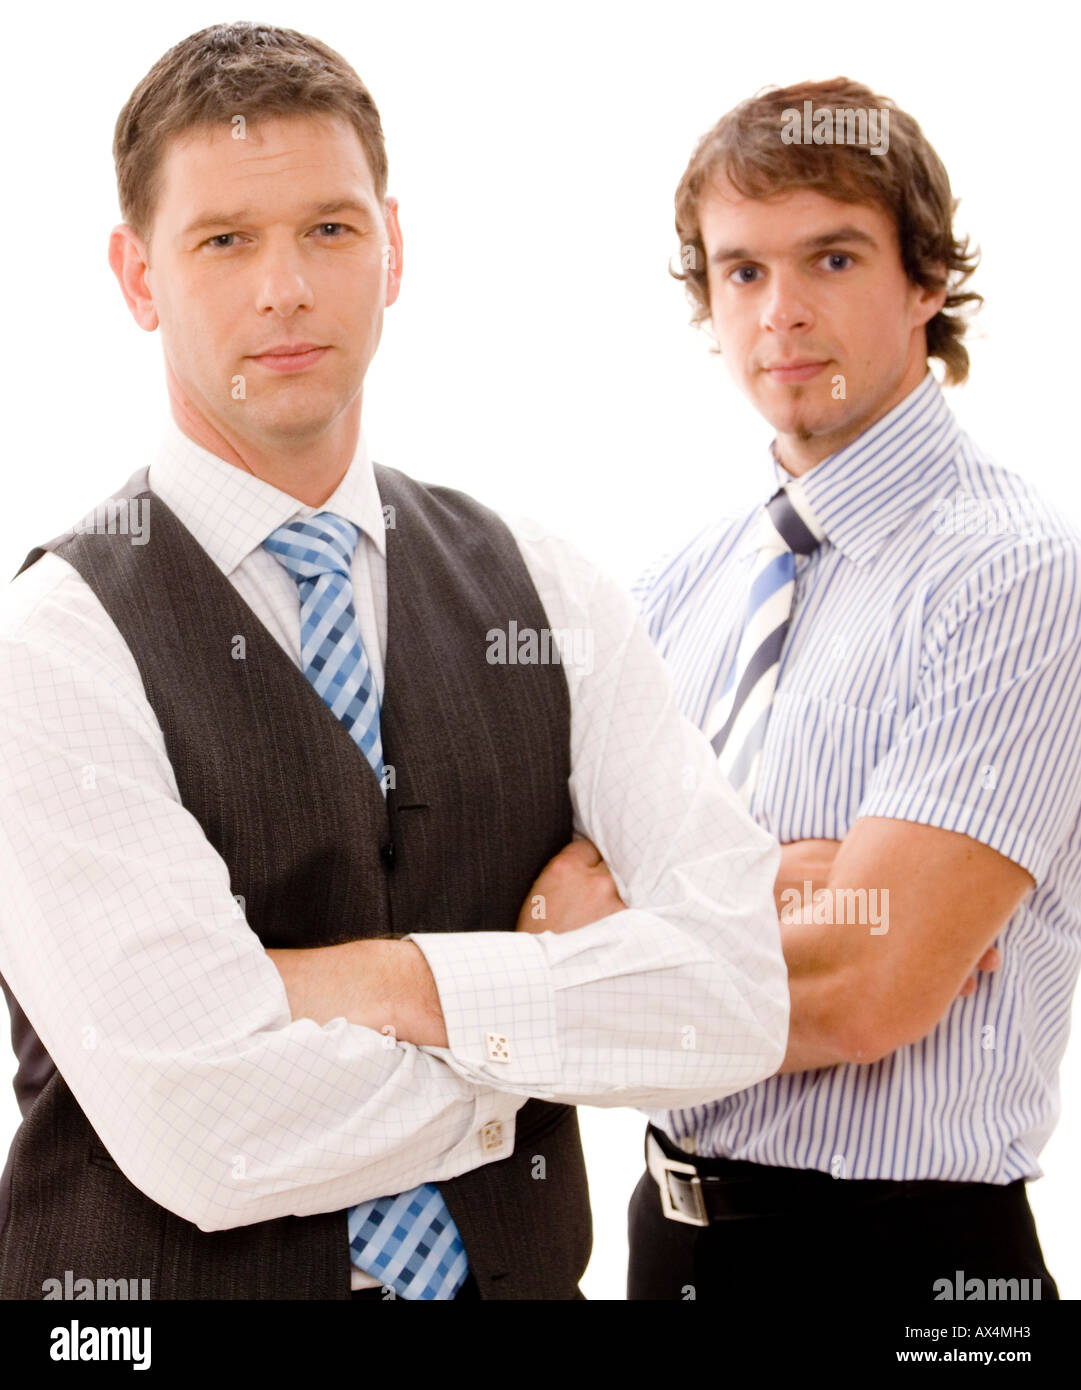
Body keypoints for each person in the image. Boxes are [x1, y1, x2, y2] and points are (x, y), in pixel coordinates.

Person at [0, 22, 789, 1302]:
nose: (285, 288)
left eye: (327, 228)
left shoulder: (544, 584)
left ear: (394, 248)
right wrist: (542, 1003)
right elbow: (211, 1134)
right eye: (223, 240)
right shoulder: (56, 647)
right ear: (135, 276)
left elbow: (738, 1000)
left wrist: (375, 983)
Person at [627, 77, 1081, 1302]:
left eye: (830, 257)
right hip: (667, 1239)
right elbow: (533, 897)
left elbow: (865, 985)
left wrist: (637, 927)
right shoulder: (673, 586)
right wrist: (773, 885)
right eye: (740, 272)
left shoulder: (1014, 573)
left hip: (906, 1267)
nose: (781, 313)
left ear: (924, 280)